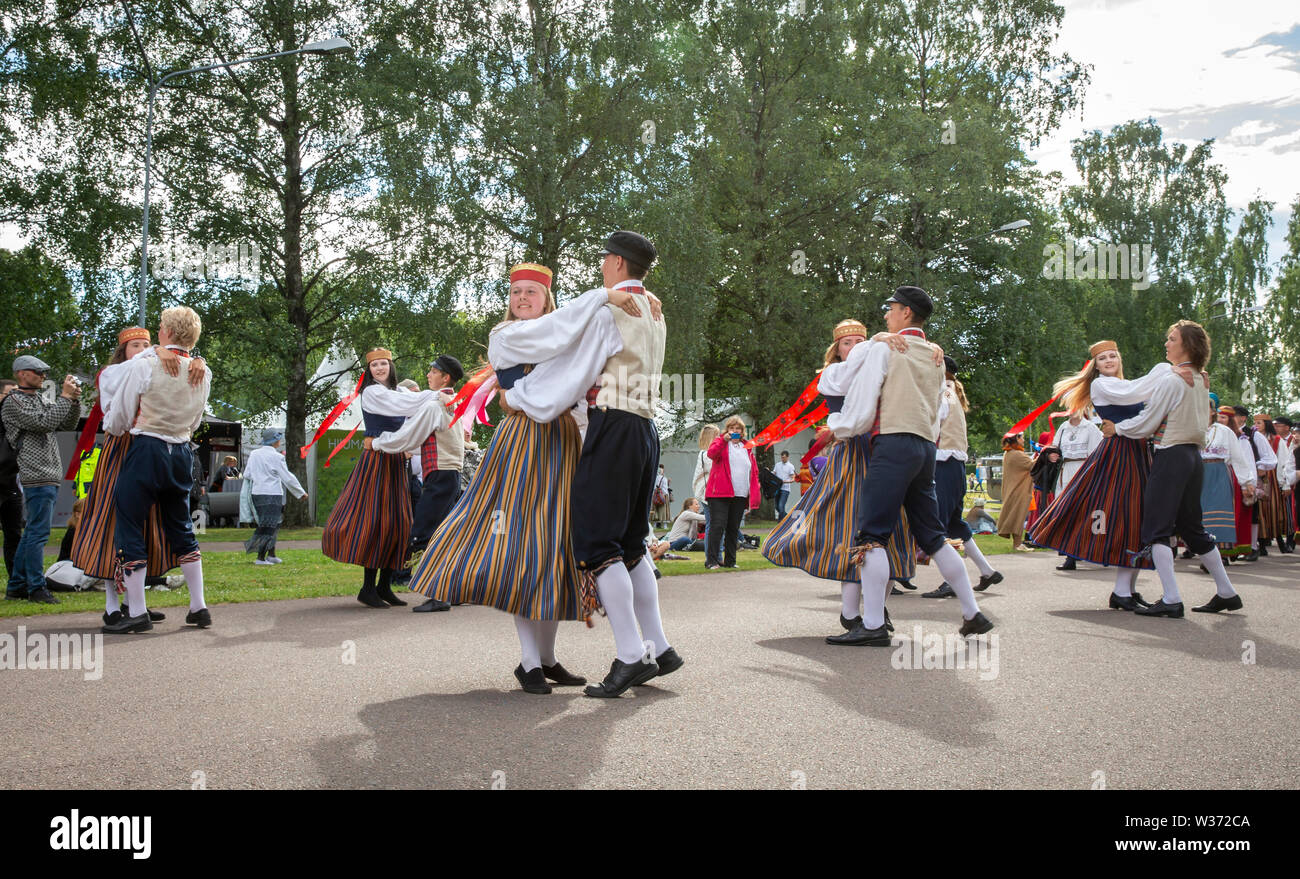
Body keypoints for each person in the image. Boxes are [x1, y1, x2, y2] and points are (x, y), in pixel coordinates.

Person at [410, 260, 646, 694]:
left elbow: (581, 361)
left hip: (564, 443)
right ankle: (528, 662)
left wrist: (637, 297)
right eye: (516, 292)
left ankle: (548, 658)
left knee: (555, 546)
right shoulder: (507, 335)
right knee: (523, 542)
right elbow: (554, 342)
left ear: (546, 299)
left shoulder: (563, 330)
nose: (522, 298)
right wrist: (602, 296)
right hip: (523, 443)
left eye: (531, 293)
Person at [824, 286, 992, 645]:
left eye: (890, 310)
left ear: (903, 312)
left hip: (892, 444)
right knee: (932, 535)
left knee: (871, 537)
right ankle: (971, 612)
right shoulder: (935, 355)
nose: (886, 316)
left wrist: (837, 428)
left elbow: (862, 404)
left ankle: (871, 625)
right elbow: (939, 410)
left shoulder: (886, 347)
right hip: (925, 450)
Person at [567, 230, 683, 699]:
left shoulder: (610, 309)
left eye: (603, 260)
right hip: (644, 428)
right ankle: (660, 645)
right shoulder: (655, 312)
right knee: (633, 543)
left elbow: (579, 368)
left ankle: (631, 655)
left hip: (612, 424)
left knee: (598, 542)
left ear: (616, 263)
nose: (600, 267)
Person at [762, 318, 920, 626]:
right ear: (836, 350)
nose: (855, 347)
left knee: (893, 532)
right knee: (849, 528)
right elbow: (850, 388)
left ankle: (878, 610)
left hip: (884, 450)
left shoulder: (882, 368)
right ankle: (850, 613)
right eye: (848, 343)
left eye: (859, 341)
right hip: (852, 455)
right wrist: (875, 343)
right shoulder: (834, 374)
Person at [1029, 340, 1195, 609]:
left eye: (1113, 356)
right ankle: (1123, 591)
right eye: (1103, 358)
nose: (1109, 361)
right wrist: (1169, 368)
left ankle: (1124, 590)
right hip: (1120, 453)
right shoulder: (1103, 385)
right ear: (1095, 365)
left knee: (1136, 518)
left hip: (1138, 451)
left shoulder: (1124, 384)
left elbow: (1149, 399)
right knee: (1127, 515)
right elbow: (1135, 392)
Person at [1098, 320, 1240, 617]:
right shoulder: (1202, 378)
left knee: (1156, 529)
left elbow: (1147, 422)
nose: (1167, 343)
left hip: (1171, 455)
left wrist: (1118, 428)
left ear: (1185, 345)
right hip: (1194, 457)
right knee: (1193, 528)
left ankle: (1172, 599)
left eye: (1171, 338)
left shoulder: (1173, 380)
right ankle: (1227, 592)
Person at [69, 327, 198, 624]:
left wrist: (192, 359)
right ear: (123, 351)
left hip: (147, 447)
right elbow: (116, 408)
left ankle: (134, 603)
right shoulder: (113, 372)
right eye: (134, 345)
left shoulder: (156, 363)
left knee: (145, 526)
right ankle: (112, 605)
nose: (141, 349)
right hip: (120, 448)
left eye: (145, 344)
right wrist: (161, 353)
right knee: (112, 521)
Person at [101, 306, 213, 633]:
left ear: (164, 331)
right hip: (181, 451)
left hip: (147, 447)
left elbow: (120, 414)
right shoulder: (201, 371)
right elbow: (195, 421)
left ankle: (136, 611)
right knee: (181, 526)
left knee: (129, 524)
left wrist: (116, 428)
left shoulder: (146, 365)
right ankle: (198, 606)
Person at [318, 349, 436, 608]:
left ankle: (384, 585)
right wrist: (437, 395)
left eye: (383, 364)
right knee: (377, 520)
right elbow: (408, 406)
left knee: (398, 522)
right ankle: (368, 587)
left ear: (391, 366)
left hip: (394, 459)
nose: (379, 369)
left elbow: (412, 408)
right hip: (377, 459)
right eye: (374, 366)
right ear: (369, 370)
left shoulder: (397, 392)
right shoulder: (372, 392)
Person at [368, 353, 465, 613]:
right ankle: (451, 590)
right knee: (441, 533)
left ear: (445, 377)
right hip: (449, 474)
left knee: (424, 533)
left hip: (440, 475)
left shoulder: (435, 406)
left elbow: (409, 437)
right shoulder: (454, 401)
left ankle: (439, 595)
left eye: (432, 371)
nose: (428, 375)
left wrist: (377, 443)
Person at [922, 354, 1004, 599]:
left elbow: (935, 416)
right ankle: (987, 571)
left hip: (944, 462)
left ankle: (951, 581)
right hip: (954, 465)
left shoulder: (945, 392)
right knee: (956, 523)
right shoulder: (952, 391)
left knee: (940, 523)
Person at [2, 354, 81, 604]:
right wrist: (65, 397)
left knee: (32, 533)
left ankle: (17, 585)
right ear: (21, 374)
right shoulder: (13, 402)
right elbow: (44, 422)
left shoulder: (37, 398)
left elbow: (65, 423)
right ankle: (35, 587)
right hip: (36, 473)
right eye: (38, 373)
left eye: (44, 373)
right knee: (38, 533)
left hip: (47, 473)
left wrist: (74, 401)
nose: (43, 377)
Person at [1201, 396, 1255, 559]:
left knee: (1218, 513)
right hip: (1198, 474)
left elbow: (1238, 458)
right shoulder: (1193, 429)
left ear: (1213, 412)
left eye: (1207, 408)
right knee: (1200, 514)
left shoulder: (1224, 431)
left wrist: (1246, 483)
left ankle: (1221, 555)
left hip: (1219, 473)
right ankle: (1205, 554)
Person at [1048, 410, 1103, 570]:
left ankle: (1090, 550)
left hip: (1083, 472)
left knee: (1084, 513)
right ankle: (1070, 555)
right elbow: (1054, 448)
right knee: (1065, 512)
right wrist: (1052, 455)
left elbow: (1096, 454)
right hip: (1065, 474)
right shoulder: (1063, 428)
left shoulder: (1090, 428)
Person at [243, 429, 307, 565]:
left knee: (272, 523)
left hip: (257, 493)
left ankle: (271, 554)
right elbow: (288, 477)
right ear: (274, 441)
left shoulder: (254, 454)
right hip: (272, 494)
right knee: (270, 526)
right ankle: (260, 557)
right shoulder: (277, 457)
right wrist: (300, 492)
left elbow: (247, 474)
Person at [704, 415, 760, 570]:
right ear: (727, 430)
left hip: (740, 493)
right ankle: (712, 561)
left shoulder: (747, 447)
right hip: (720, 493)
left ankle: (730, 561)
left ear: (742, 432)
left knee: (733, 528)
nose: (735, 431)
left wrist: (754, 492)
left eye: (738, 429)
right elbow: (711, 454)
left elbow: (753, 471)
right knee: (718, 526)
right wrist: (724, 440)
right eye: (732, 428)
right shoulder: (720, 442)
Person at [1231, 405, 1277, 560]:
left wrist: (1259, 466)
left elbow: (1271, 458)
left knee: (1251, 510)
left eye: (1235, 415)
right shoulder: (1227, 432)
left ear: (1243, 417)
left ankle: (1253, 546)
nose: (1232, 418)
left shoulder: (1254, 435)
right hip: (1230, 476)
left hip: (1250, 475)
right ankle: (1234, 545)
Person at [0, 378, 23, 582]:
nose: (16, 399)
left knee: (14, 534)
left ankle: (16, 581)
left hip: (10, 485)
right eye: (11, 394)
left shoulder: (16, 422)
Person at [998, 434, 1034, 551]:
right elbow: (1033, 465)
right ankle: (1017, 545)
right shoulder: (1016, 454)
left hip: (1013, 489)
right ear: (1017, 439)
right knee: (1018, 516)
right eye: (1022, 438)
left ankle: (1018, 544)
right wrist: (1043, 454)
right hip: (1018, 490)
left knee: (1018, 517)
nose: (1023, 440)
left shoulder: (1009, 453)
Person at [691, 424, 719, 552]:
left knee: (714, 525)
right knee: (713, 525)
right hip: (709, 493)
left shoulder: (703, 453)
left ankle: (715, 555)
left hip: (707, 492)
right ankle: (712, 555)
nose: (719, 438)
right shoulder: (707, 454)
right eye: (717, 435)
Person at [773, 450, 797, 519]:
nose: (783, 459)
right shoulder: (777, 465)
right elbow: (773, 474)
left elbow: (793, 479)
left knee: (781, 506)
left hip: (785, 489)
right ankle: (788, 518)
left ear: (787, 457)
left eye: (784, 457)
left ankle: (780, 523)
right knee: (777, 507)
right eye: (782, 457)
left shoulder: (790, 466)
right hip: (777, 488)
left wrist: (784, 481)